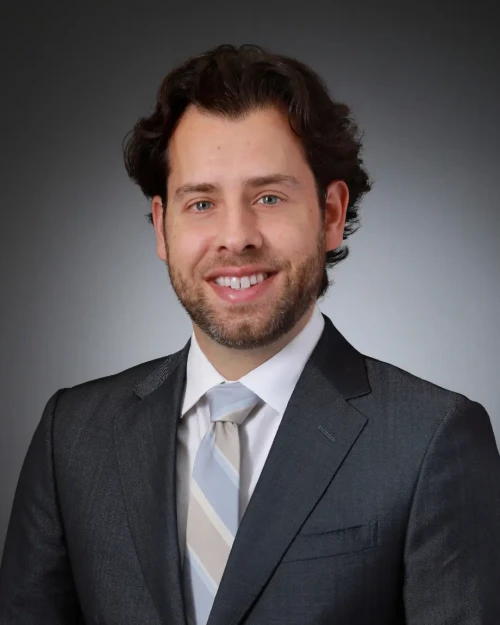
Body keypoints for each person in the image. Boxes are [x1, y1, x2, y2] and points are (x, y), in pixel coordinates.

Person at [0, 43, 499, 625]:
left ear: (331, 214)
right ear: (162, 227)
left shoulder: (431, 439)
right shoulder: (72, 436)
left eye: (268, 197)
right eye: (202, 202)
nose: (236, 237)